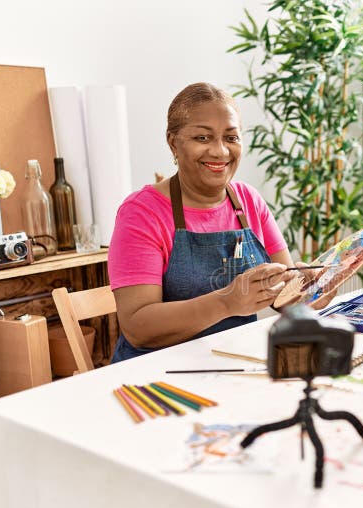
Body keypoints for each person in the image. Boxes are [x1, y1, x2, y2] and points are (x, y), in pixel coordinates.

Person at [108, 82, 304, 363]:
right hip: (153, 374)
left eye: (231, 138)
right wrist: (227, 302)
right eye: (203, 138)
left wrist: (315, 289)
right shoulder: (142, 212)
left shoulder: (249, 201)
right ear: (173, 142)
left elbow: (285, 291)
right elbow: (138, 326)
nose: (220, 152)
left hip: (232, 361)